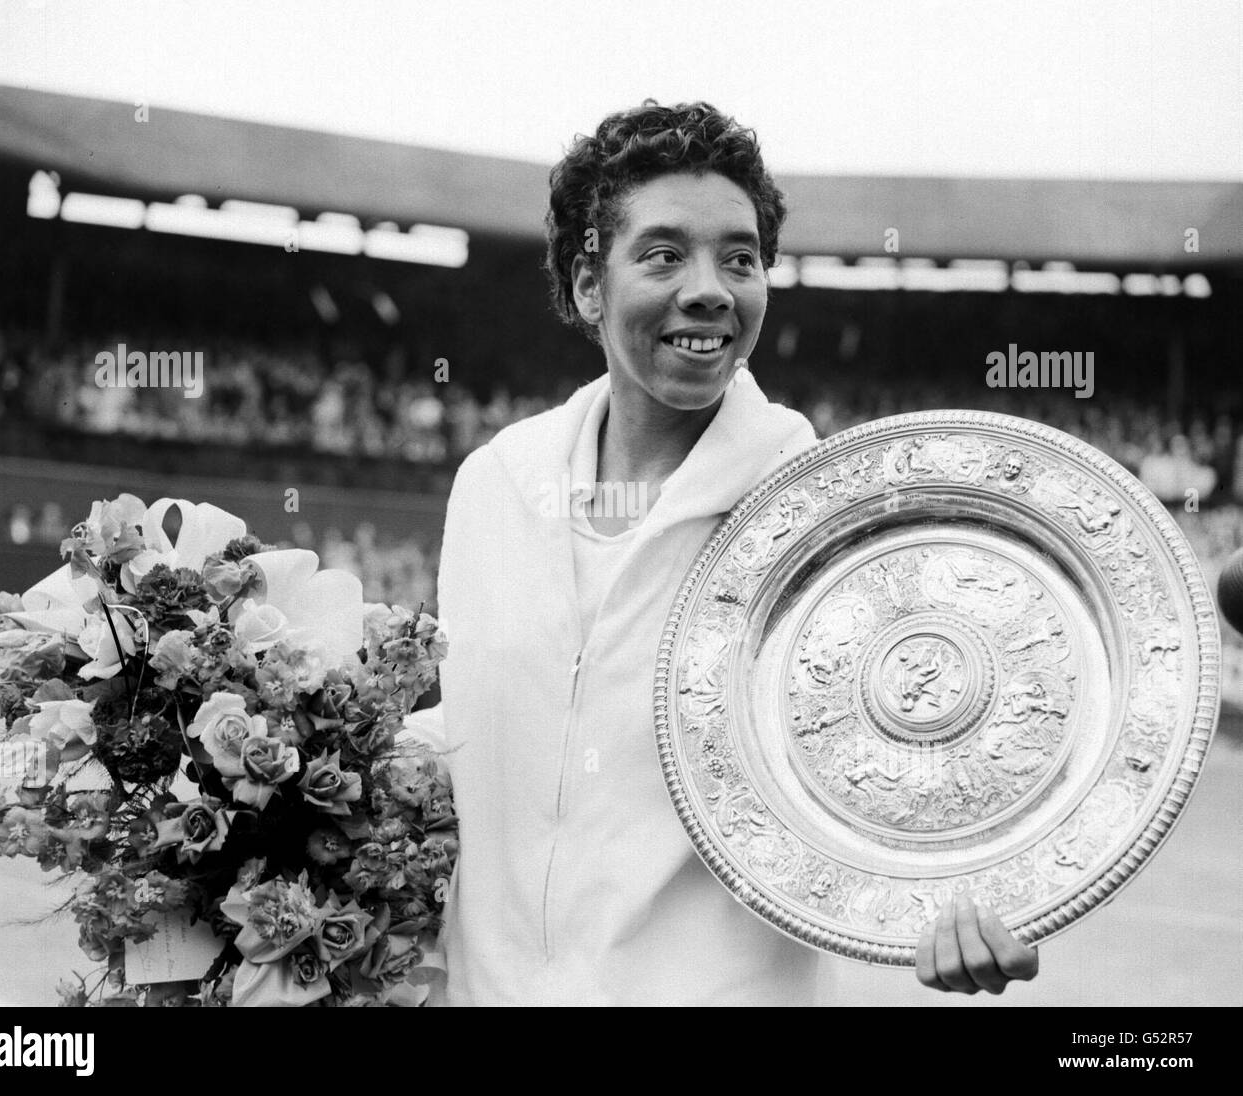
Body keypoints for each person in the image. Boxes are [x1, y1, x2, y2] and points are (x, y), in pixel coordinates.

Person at [404, 100, 1038, 1004]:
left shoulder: (823, 517)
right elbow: (489, 724)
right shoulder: (494, 486)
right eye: (663, 254)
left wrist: (966, 898)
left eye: (739, 259)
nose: (710, 288)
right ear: (591, 284)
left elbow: (920, 745)